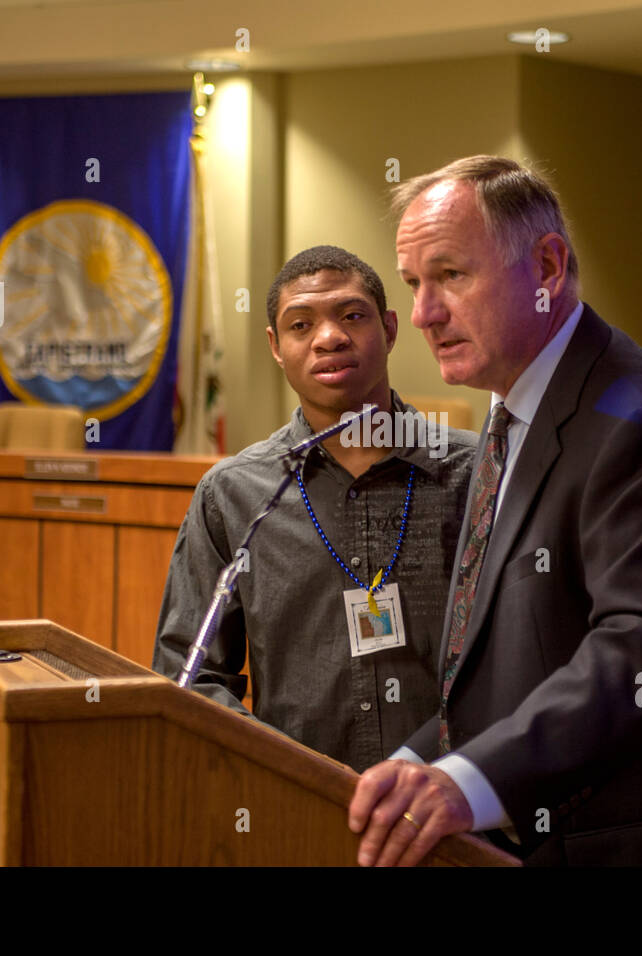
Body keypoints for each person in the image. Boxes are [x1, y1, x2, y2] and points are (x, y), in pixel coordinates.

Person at [347, 156, 642, 866]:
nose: (423, 314)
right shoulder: (508, 422)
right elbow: (505, 661)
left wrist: (469, 783)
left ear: (546, 267)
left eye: (451, 276)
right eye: (414, 284)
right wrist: (411, 773)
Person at [152, 245, 477, 773]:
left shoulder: (477, 471)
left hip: (455, 811)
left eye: (352, 316)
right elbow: (188, 675)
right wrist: (294, 774)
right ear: (276, 347)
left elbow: (519, 660)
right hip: (297, 811)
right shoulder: (232, 496)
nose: (329, 337)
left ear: (391, 329)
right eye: (301, 325)